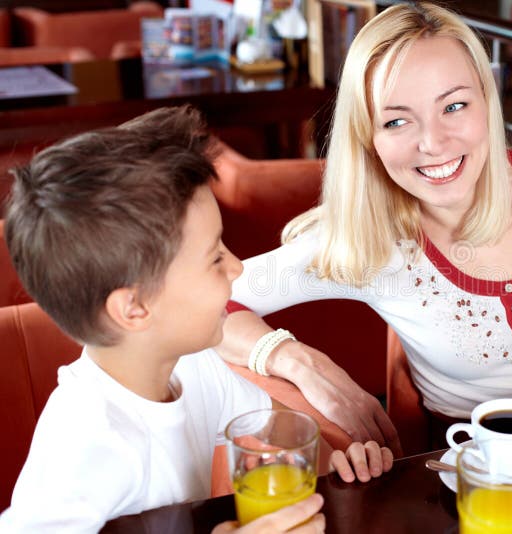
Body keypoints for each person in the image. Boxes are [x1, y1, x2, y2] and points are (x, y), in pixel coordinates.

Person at [216, 1, 512, 450]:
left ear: (488, 99)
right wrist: (299, 362)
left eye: (455, 105)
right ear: (368, 138)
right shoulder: (368, 239)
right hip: (463, 476)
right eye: (396, 120)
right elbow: (197, 303)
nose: (432, 143)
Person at [0, 106, 392, 533]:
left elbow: (284, 437)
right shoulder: (88, 446)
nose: (237, 267)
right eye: (214, 257)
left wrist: (339, 462)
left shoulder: (191, 363)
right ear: (134, 309)